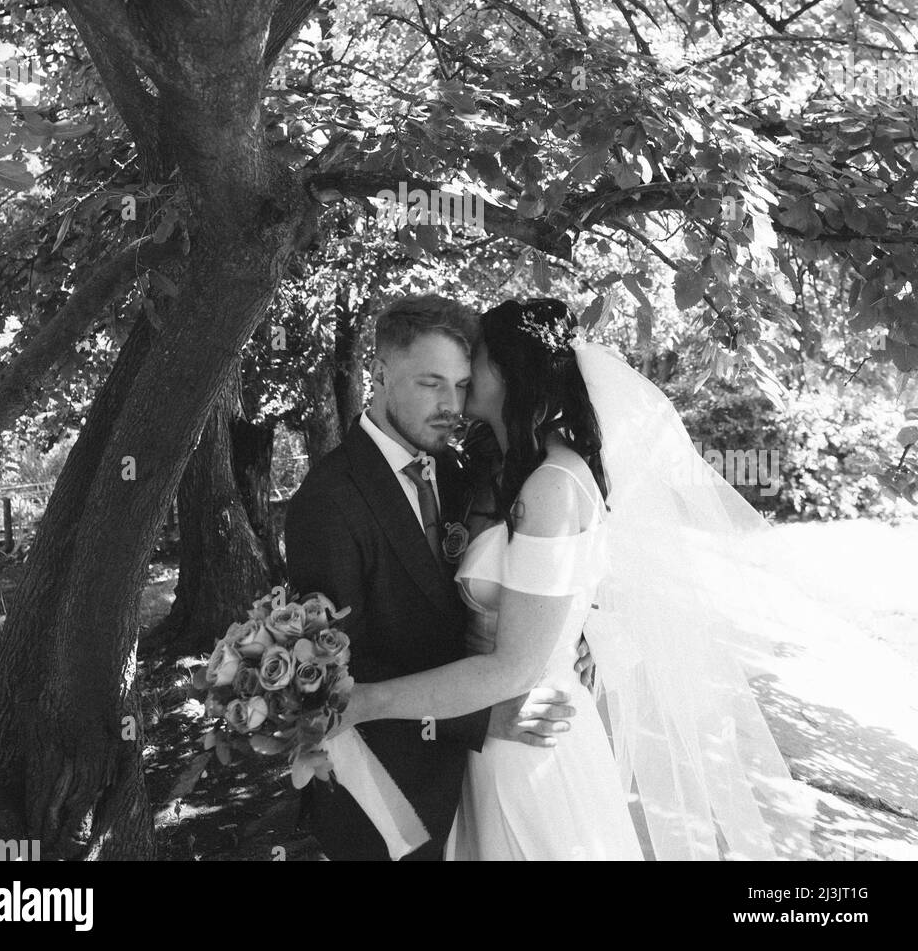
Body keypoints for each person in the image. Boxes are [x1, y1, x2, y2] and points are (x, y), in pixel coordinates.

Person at [339, 299, 819, 861]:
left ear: (512, 374)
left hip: (531, 747)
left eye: (477, 363)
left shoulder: (552, 486)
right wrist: (584, 624)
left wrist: (364, 702)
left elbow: (515, 664)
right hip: (481, 745)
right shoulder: (489, 467)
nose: (464, 378)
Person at [284, 294, 585, 862]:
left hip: (478, 780)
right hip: (387, 792)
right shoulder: (326, 501)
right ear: (378, 373)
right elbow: (336, 671)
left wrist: (571, 631)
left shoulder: (463, 470)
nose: (451, 405)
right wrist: (483, 714)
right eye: (430, 383)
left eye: (461, 384)